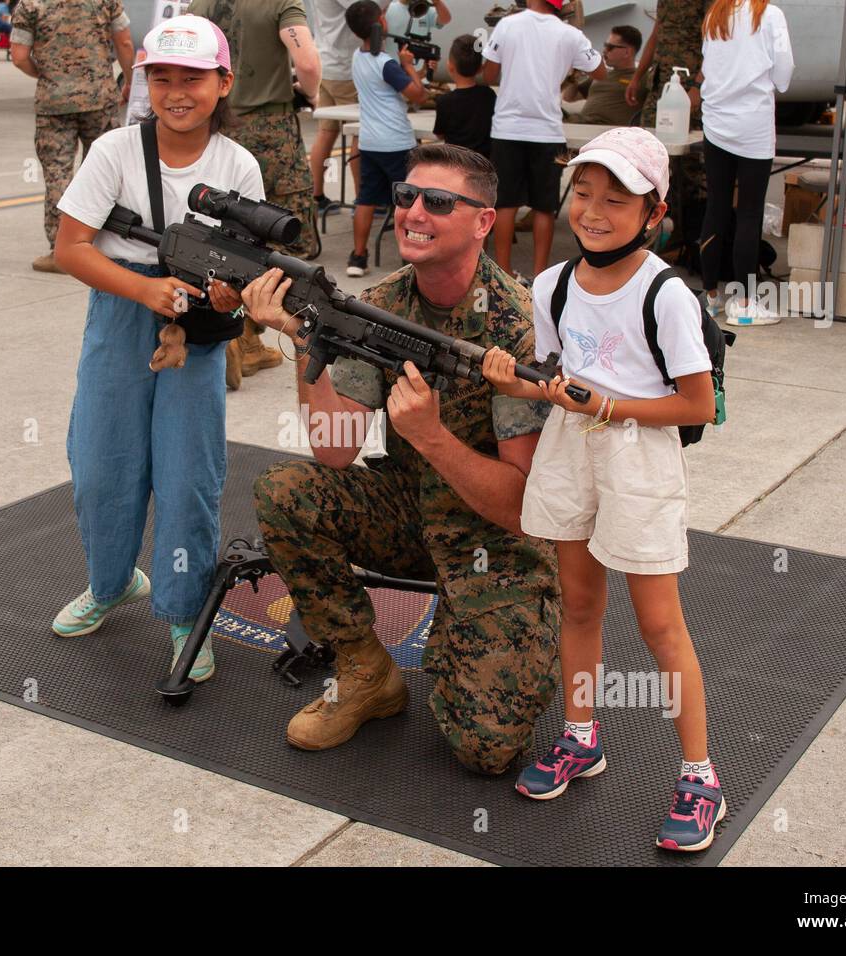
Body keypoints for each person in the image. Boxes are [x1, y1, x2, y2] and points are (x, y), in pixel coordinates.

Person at [244, 144, 562, 775]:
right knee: (286, 491)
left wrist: (432, 437)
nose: (414, 212)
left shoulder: (520, 327)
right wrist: (308, 342)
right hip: (408, 511)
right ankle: (365, 669)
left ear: (483, 221)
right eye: (405, 197)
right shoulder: (379, 306)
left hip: (494, 542)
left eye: (437, 202)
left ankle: (472, 624)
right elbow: (334, 450)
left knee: (486, 752)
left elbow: (523, 510)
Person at [485, 127, 723, 852]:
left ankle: (700, 775)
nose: (592, 211)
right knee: (580, 605)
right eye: (582, 193)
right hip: (570, 450)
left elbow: (697, 405)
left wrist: (609, 407)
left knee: (659, 627)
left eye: (615, 200)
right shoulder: (552, 284)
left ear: (654, 213)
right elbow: (560, 376)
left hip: (638, 460)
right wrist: (518, 379)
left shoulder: (665, 293)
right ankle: (581, 737)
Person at [49, 16, 262, 682]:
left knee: (186, 478)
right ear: (144, 81)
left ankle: (181, 613)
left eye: (193, 78)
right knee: (101, 466)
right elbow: (70, 248)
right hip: (121, 316)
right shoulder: (113, 151)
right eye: (162, 77)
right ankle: (112, 584)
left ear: (223, 83)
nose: (177, 91)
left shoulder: (238, 165)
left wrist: (228, 298)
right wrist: (144, 294)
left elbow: (243, 276)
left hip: (194, 334)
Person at [188, 0, 321, 379]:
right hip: (271, 130)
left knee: (232, 229)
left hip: (221, 126)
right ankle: (245, 336)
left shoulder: (202, 4)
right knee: (283, 235)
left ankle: (231, 325)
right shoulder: (281, 3)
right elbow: (308, 64)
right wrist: (308, 93)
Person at [482, 0, 604, 280]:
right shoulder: (569, 34)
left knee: (505, 204)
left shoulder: (507, 25)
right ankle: (540, 277)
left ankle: (502, 274)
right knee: (544, 207)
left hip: (507, 129)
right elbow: (600, 71)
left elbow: (488, 73)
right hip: (548, 131)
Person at [10, 0, 134, 273]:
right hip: (99, 96)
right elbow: (124, 42)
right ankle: (108, 243)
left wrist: (46, 74)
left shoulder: (30, 4)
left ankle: (61, 250)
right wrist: (129, 80)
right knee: (108, 174)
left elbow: (18, 56)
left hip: (53, 102)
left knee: (58, 174)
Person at [697, 0, 793, 325]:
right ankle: (745, 303)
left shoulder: (715, 13)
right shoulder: (770, 14)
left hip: (716, 121)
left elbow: (709, 64)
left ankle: (709, 296)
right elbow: (785, 68)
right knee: (750, 212)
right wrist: (777, 84)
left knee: (717, 207)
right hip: (754, 122)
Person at [343, 0, 426, 278]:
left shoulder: (358, 56)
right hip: (397, 142)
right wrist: (410, 66)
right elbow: (418, 95)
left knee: (366, 199)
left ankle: (358, 257)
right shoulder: (386, 63)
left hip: (369, 142)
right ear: (381, 24)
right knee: (408, 200)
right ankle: (410, 256)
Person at [629, 0, 710, 249]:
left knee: (691, 168)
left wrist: (697, 86)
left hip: (688, 85)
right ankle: (654, 233)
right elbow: (656, 35)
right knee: (651, 157)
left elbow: (715, 41)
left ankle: (692, 239)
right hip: (662, 87)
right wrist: (637, 76)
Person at [309, 0, 361, 212]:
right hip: (345, 69)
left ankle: (317, 196)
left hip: (326, 63)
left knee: (326, 132)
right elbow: (366, 6)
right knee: (360, 134)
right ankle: (363, 201)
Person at [562, 24, 647, 127]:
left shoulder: (641, 79)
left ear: (627, 52)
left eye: (610, 47)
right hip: (582, 124)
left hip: (607, 131)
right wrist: (575, 73)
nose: (604, 50)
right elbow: (569, 97)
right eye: (605, 45)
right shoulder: (601, 75)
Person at [432, 34, 495, 157]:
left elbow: (439, 134)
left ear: (450, 66)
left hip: (456, 164)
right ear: (480, 69)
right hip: (483, 163)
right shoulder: (489, 95)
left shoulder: (444, 101)